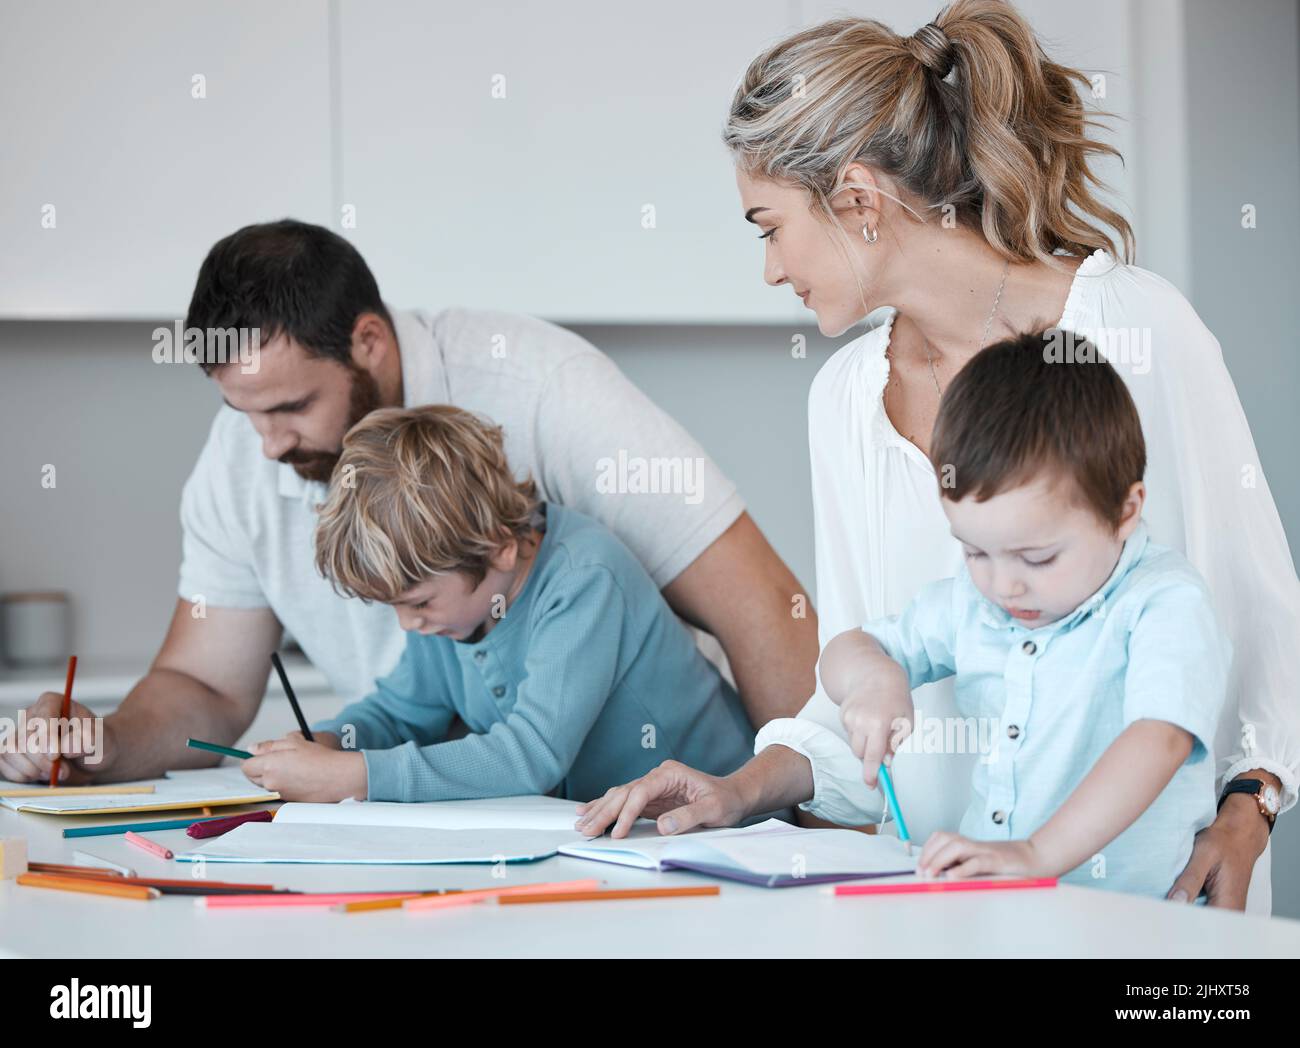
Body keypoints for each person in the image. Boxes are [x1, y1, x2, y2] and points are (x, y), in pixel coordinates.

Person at [575, 3, 1299, 912]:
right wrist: (739, 787)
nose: (768, 267)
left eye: (768, 225)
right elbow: (861, 686)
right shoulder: (842, 399)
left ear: (859, 200)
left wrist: (1252, 805)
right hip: (945, 905)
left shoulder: (1133, 330)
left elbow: (1262, 618)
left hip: (1154, 903)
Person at [1, 221, 816, 787]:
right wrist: (103, 743)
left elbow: (763, 611)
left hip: (679, 818)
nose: (267, 448)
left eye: (290, 408)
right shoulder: (251, 456)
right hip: (530, 826)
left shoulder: (545, 397)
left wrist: (809, 823)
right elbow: (205, 683)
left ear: (369, 344)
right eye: (241, 413)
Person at [821, 331, 1231, 898]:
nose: (1003, 583)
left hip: (1131, 926)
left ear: (1125, 509)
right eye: (974, 551)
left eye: (1037, 557)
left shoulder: (1163, 602)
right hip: (998, 909)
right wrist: (872, 676)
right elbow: (850, 647)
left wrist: (1036, 856)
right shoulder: (974, 601)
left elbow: (1160, 738)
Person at [241, 405, 755, 803]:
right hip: (613, 838)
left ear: (499, 549)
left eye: (417, 602)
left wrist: (353, 777)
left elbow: (532, 755)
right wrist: (333, 741)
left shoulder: (582, 580)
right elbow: (402, 710)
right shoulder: (451, 612)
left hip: (721, 832)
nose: (408, 624)